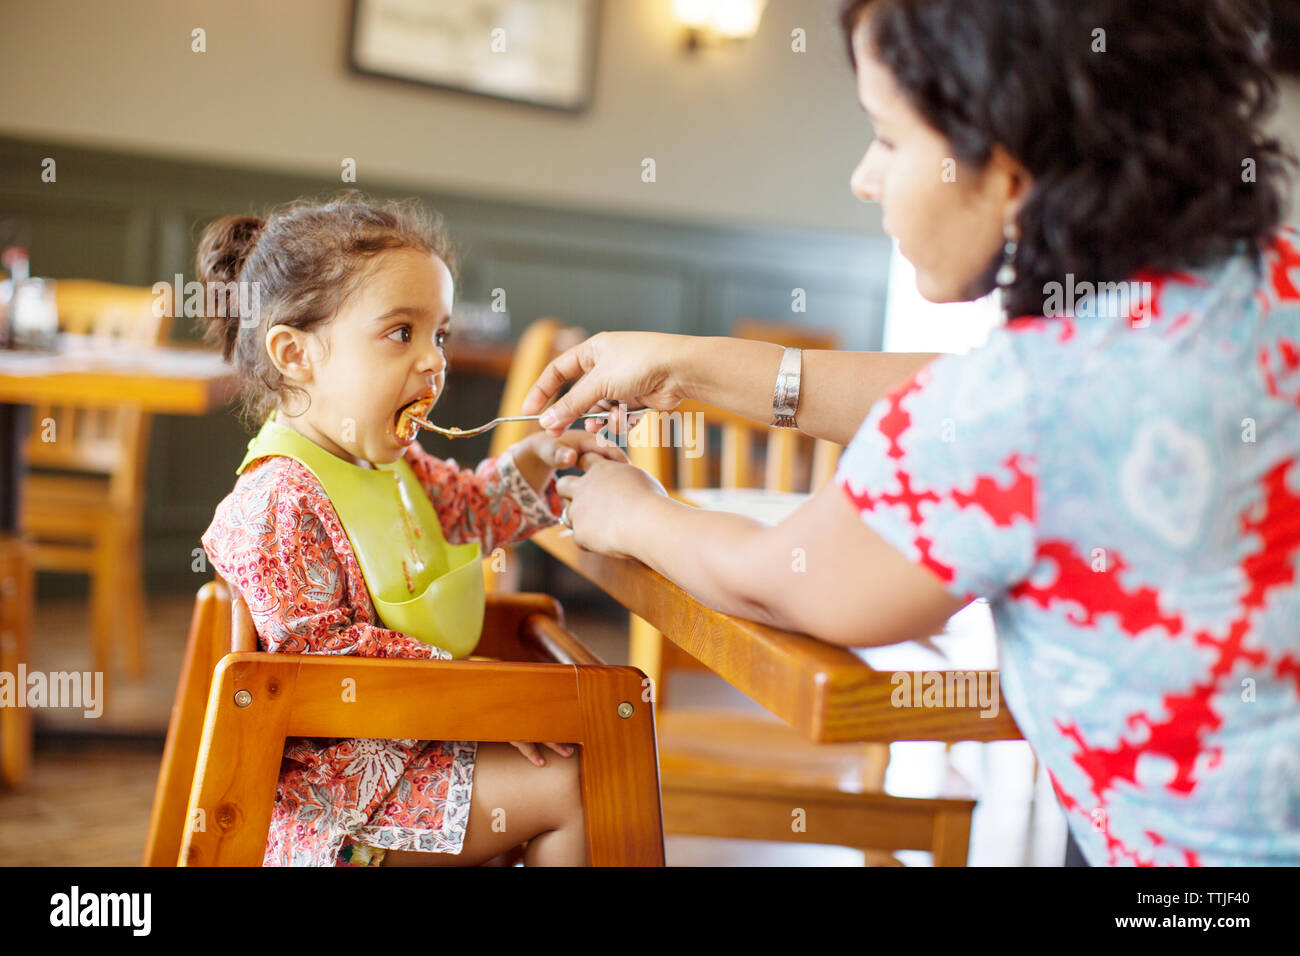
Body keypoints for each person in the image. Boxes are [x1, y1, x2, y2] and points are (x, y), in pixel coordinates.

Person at [524, 0, 1300, 865]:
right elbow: (977, 408)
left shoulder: (1030, 400)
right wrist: (696, 367)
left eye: (888, 138)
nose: (865, 176)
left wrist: (631, 511)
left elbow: (784, 581)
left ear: (1007, 169)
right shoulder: (1269, 275)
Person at [199, 193, 625, 866]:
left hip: (419, 747)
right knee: (579, 786)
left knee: (589, 754)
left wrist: (538, 458)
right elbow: (322, 665)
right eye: (402, 332)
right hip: (340, 808)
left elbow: (479, 511)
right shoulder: (278, 500)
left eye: (440, 335)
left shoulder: (400, 467)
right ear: (296, 354)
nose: (434, 361)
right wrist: (475, 691)